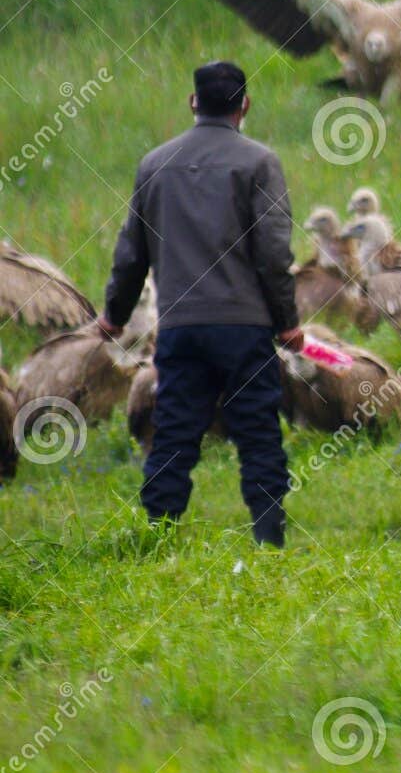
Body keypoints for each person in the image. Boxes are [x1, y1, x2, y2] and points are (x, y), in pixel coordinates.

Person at [99, 62, 303, 546]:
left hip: (181, 327)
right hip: (244, 325)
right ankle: (268, 538)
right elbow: (273, 255)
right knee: (257, 432)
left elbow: (131, 254)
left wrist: (114, 315)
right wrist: (287, 322)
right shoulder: (259, 163)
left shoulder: (154, 164)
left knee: (173, 431)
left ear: (193, 102)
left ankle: (159, 536)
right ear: (244, 105)